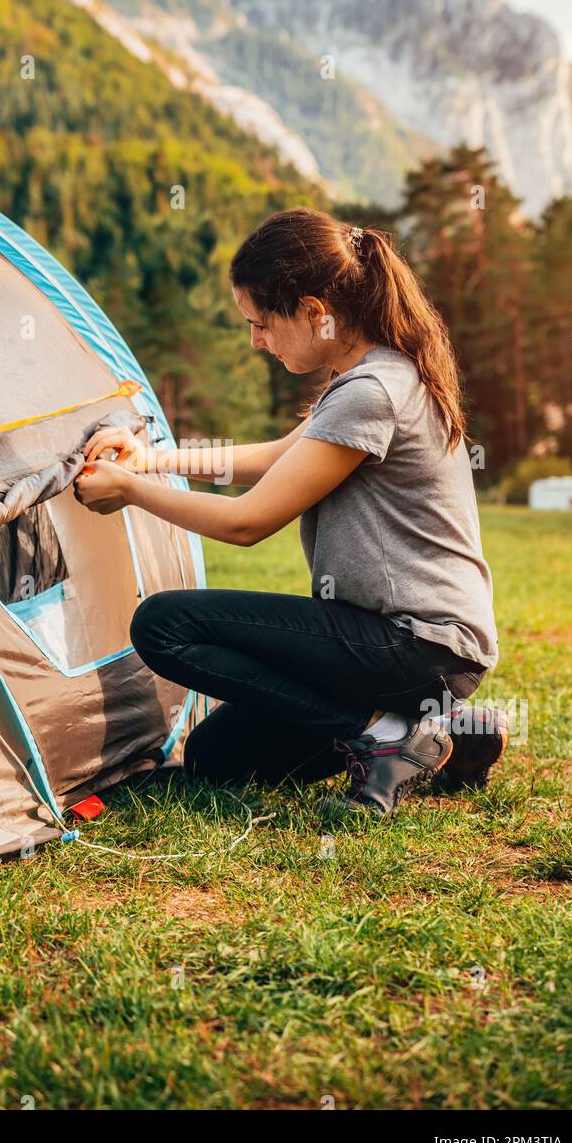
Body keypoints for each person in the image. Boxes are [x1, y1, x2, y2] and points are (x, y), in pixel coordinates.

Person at [74, 208, 506, 816]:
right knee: (215, 759)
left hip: (413, 645)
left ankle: (388, 736)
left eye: (261, 323)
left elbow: (247, 523)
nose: (255, 341)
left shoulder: (371, 392)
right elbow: (275, 458)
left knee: (164, 625)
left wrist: (130, 491)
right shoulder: (372, 375)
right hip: (420, 655)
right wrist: (149, 460)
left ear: (312, 311)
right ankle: (453, 730)